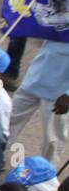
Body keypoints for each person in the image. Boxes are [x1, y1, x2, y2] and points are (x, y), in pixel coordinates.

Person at [7, 39, 69, 168]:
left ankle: (44, 176)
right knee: (8, 122)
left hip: (60, 93)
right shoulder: (56, 18)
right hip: (34, 79)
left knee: (53, 139)